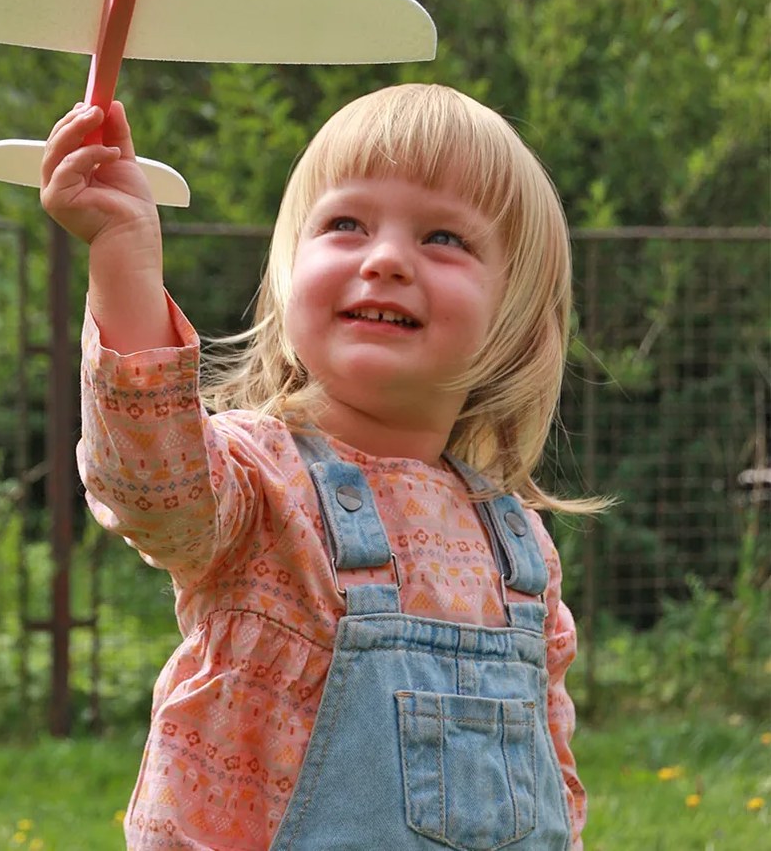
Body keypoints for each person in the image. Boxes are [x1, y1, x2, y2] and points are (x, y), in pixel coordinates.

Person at [41, 84, 601, 850]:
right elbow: (149, 483)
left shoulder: (521, 552)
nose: (386, 259)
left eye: (444, 238)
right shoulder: (261, 481)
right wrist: (123, 254)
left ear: (516, 318)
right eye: (346, 224)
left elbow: (550, 780)